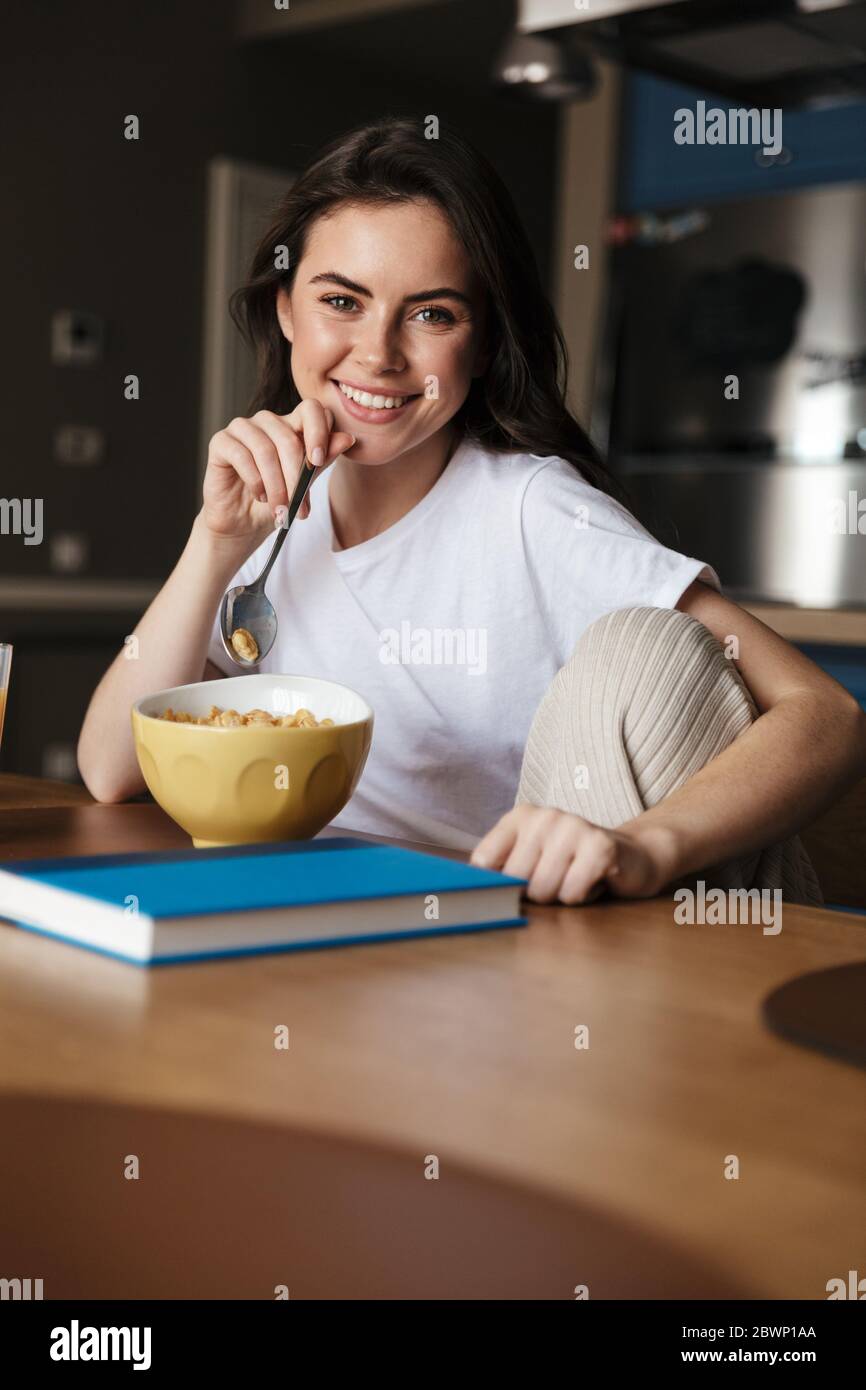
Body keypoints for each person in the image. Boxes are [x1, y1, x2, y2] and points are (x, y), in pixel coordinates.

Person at [78, 117, 866, 905]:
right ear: (285, 311)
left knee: (645, 642)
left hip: (522, 934)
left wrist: (645, 846)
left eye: (433, 314)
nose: (379, 353)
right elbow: (110, 770)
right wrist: (214, 543)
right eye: (342, 301)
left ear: (484, 342)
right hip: (333, 933)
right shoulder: (268, 516)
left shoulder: (532, 508)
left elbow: (824, 711)